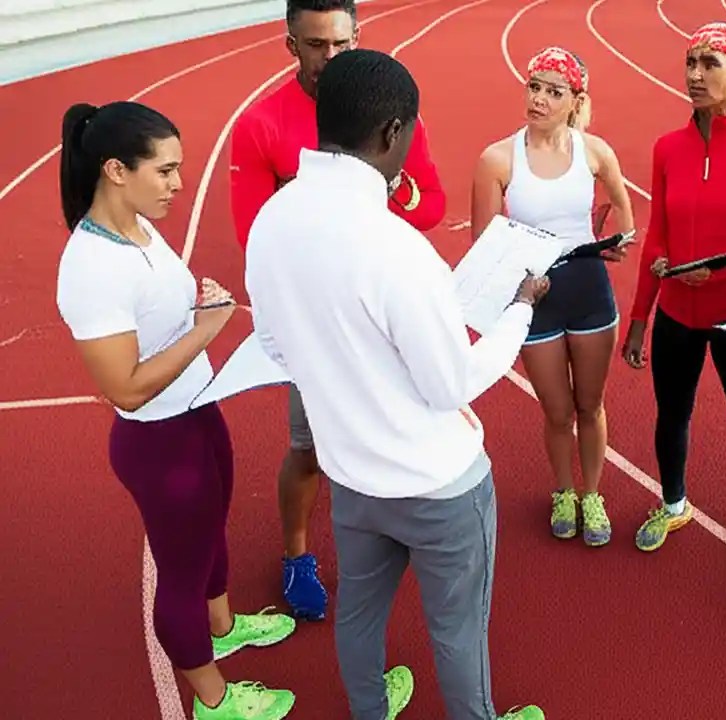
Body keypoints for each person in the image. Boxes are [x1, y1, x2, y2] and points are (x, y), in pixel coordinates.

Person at [243, 48, 547, 720]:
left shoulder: (271, 223)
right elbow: (450, 386)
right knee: (457, 631)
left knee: (358, 613)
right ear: (392, 133)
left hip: (352, 478)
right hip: (438, 484)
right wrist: (521, 308)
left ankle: (370, 710)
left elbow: (275, 346)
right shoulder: (396, 248)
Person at [54, 100, 297, 719]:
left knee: (214, 524)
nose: (178, 184)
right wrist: (205, 330)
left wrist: (197, 301)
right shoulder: (90, 267)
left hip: (195, 407)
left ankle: (223, 625)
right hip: (158, 438)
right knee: (181, 573)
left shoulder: (139, 222)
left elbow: (161, 304)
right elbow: (125, 389)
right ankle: (214, 701)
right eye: (164, 171)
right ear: (115, 169)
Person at [228, 0, 448, 622]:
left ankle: (388, 549)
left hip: (384, 307)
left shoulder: (388, 105)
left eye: (342, 45)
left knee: (394, 430)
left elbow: (430, 204)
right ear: (290, 44)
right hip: (317, 321)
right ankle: (297, 554)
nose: (330, 58)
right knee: (310, 447)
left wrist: (372, 217)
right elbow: (255, 237)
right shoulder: (262, 124)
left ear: (359, 36)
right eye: (317, 45)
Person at [622, 22, 726, 572]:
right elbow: (657, 236)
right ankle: (674, 503)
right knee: (672, 413)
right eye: (690, 62)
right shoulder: (667, 147)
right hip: (677, 311)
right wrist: (639, 318)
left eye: (709, 64)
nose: (694, 75)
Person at [471, 47, 635, 547]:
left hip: (588, 293)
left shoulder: (595, 152)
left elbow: (625, 220)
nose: (539, 98)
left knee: (591, 404)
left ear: (575, 100)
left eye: (553, 91)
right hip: (534, 298)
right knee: (557, 410)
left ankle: (592, 494)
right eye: (534, 86)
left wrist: (610, 241)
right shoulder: (497, 159)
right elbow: (484, 244)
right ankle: (563, 490)